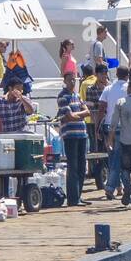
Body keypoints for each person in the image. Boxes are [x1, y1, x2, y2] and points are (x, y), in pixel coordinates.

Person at [56, 71, 91, 207]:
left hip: (82, 133)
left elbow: (87, 111)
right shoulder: (62, 96)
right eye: (70, 80)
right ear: (65, 81)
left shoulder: (76, 95)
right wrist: (80, 114)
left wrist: (78, 114)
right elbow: (69, 116)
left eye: (74, 80)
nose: (72, 82)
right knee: (73, 167)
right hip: (70, 134)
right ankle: (73, 198)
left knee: (82, 167)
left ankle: (78, 196)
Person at [98, 66, 131, 199]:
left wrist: (97, 126)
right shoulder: (129, 88)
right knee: (120, 159)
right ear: (127, 75)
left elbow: (101, 107)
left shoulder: (108, 88)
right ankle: (112, 186)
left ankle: (118, 187)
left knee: (113, 158)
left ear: (116, 74)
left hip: (109, 125)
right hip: (124, 126)